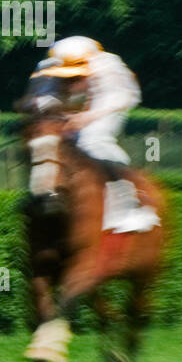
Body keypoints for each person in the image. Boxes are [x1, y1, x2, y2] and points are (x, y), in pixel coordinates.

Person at [32, 35, 159, 233]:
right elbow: (41, 102)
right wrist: (57, 118)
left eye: (76, 76)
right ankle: (46, 196)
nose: (71, 80)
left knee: (93, 139)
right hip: (73, 106)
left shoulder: (109, 70)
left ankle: (129, 206)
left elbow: (121, 99)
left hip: (107, 103)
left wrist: (87, 117)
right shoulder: (46, 68)